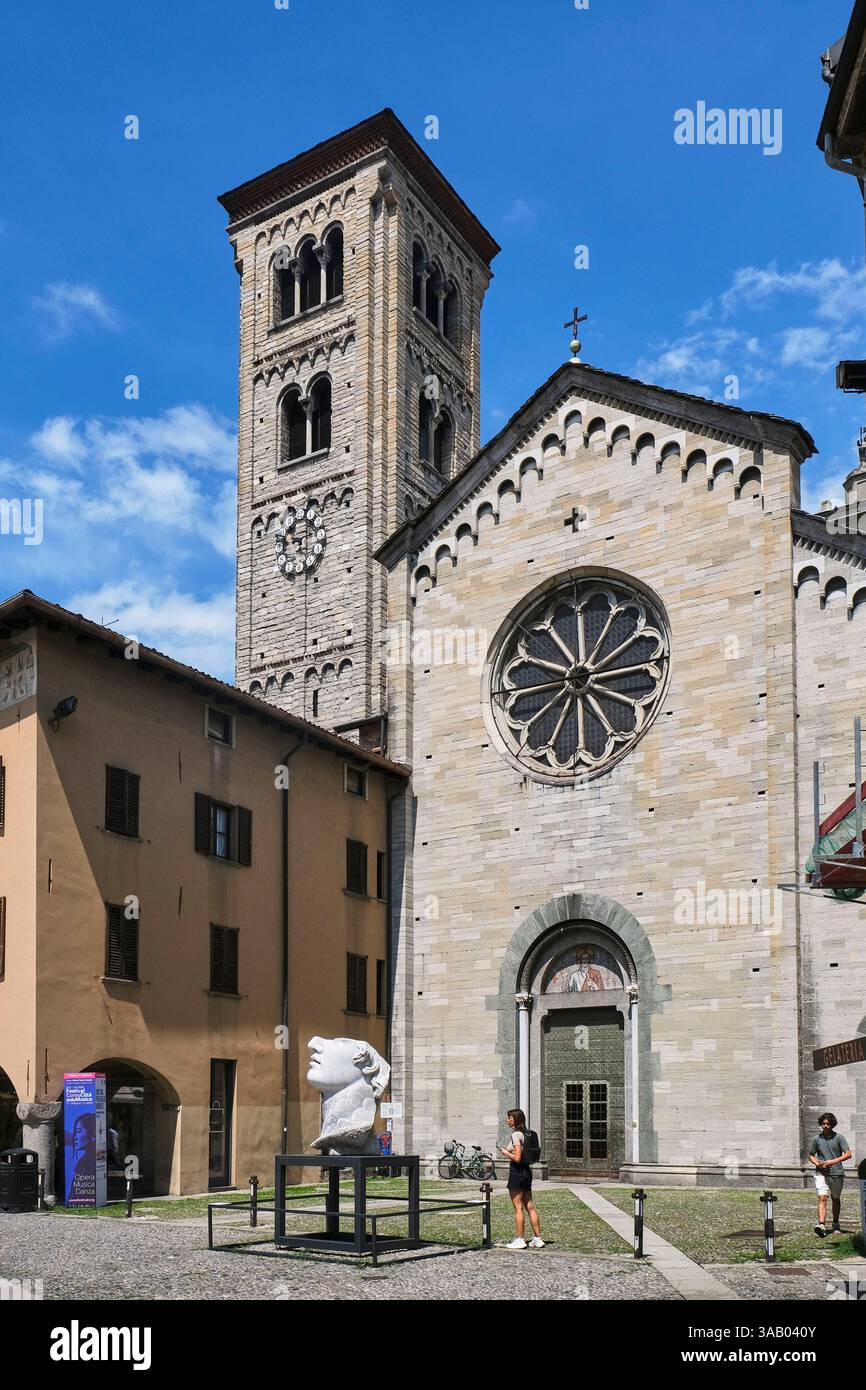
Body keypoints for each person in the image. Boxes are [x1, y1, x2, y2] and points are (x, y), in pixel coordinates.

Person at [500, 1108, 544, 1250]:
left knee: (518, 1207)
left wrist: (506, 1152)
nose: (508, 1120)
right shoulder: (527, 1133)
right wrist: (511, 1149)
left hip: (517, 1172)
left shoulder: (516, 1134)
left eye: (510, 1118)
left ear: (516, 1120)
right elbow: (523, 1151)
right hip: (527, 1172)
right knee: (530, 1206)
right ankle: (537, 1238)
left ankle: (520, 1239)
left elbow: (517, 1158)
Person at [808, 1112, 853, 1237]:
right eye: (823, 1124)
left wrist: (832, 1162)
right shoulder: (817, 1139)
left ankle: (835, 1223)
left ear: (832, 1125)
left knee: (835, 1198)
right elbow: (811, 1154)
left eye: (828, 1124)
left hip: (836, 1173)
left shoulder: (839, 1138)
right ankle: (821, 1224)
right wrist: (817, 1163)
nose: (825, 1126)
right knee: (822, 1197)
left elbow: (848, 1154)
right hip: (821, 1173)